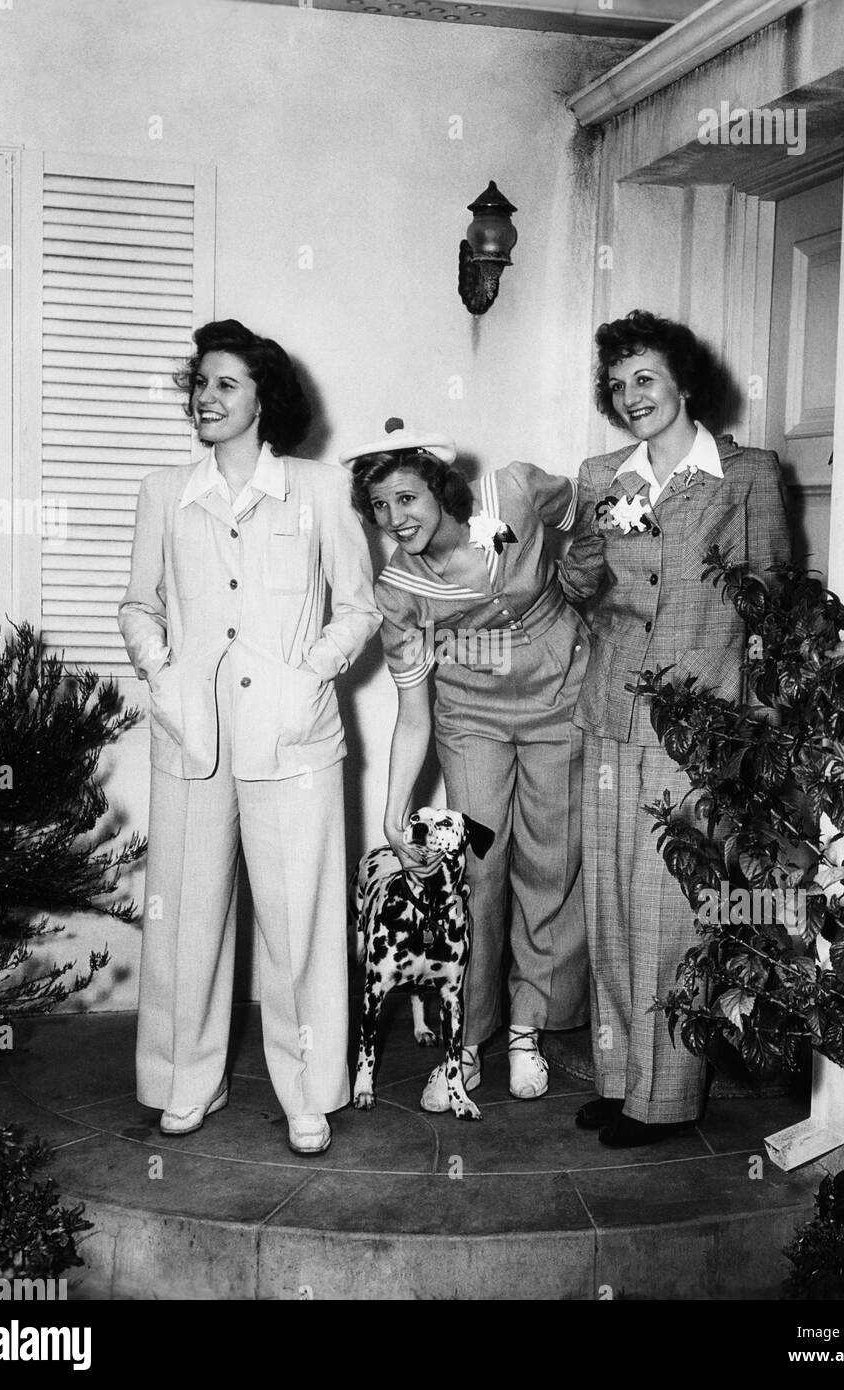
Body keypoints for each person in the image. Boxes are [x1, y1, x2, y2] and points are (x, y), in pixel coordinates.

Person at [119, 319, 380, 1156]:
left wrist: (311, 675)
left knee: (299, 922)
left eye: (226, 383)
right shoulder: (165, 491)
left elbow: (359, 607)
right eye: (200, 383)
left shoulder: (321, 487)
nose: (206, 396)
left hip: (292, 740)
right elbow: (138, 604)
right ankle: (181, 1079)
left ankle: (307, 1090)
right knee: (185, 917)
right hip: (190, 737)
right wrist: (161, 674)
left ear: (265, 398)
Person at [559, 310, 790, 1148]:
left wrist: (756, 729)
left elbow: (770, 604)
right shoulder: (601, 476)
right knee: (612, 906)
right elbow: (585, 590)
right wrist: (571, 557)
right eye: (616, 386)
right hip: (611, 712)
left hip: (699, 722)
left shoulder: (745, 476)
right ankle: (621, 1077)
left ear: (683, 380)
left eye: (644, 379)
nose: (630, 398)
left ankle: (664, 1097)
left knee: (672, 912)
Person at [343, 420, 590, 1107]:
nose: (395, 520)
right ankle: (465, 1045)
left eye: (406, 499)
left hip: (557, 690)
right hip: (468, 709)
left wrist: (584, 576)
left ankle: (524, 1029)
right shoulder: (398, 589)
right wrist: (393, 813)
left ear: (440, 488)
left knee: (551, 858)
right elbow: (414, 713)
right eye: (380, 509)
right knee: (480, 864)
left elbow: (586, 510)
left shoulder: (507, 494)